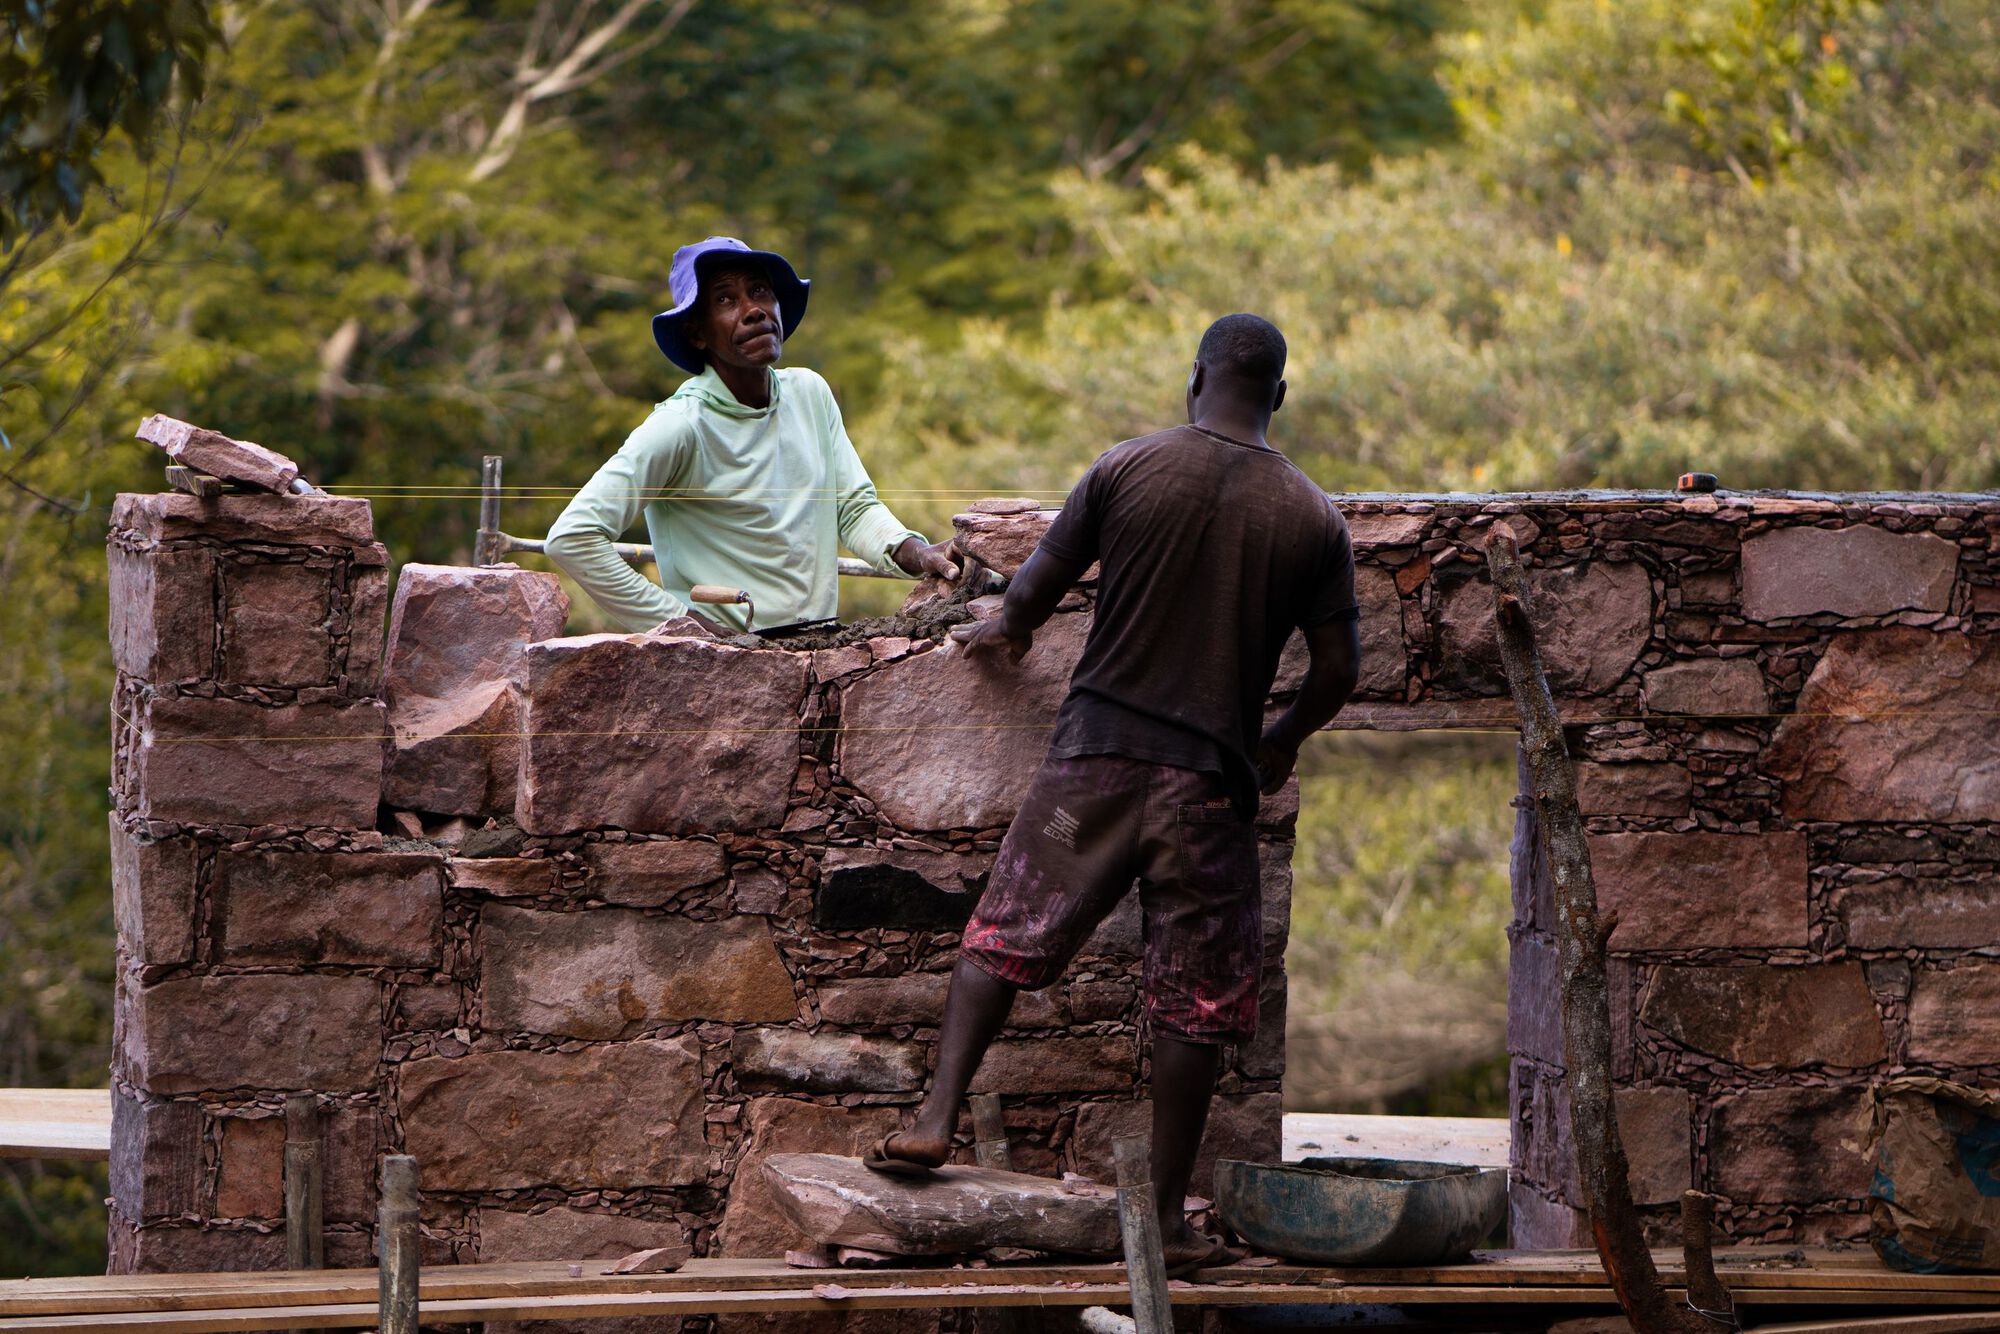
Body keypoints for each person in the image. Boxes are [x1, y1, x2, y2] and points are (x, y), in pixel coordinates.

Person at [863, 314, 1362, 1274]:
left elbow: (1027, 601)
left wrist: (994, 630)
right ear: (1279, 397)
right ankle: (1169, 1221)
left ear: (1195, 378)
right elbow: (1338, 669)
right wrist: (1279, 741)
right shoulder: (1312, 516)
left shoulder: (1127, 468)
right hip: (1209, 794)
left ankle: (933, 1118)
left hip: (1090, 768)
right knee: (1198, 1000)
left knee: (1003, 931)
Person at [546, 236, 957, 635]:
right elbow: (573, 538)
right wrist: (682, 626)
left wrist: (920, 552)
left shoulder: (809, 394)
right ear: (697, 333)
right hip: (724, 666)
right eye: (725, 300)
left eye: (760, 291)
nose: (753, 310)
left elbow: (852, 508)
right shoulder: (680, 426)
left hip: (815, 646)